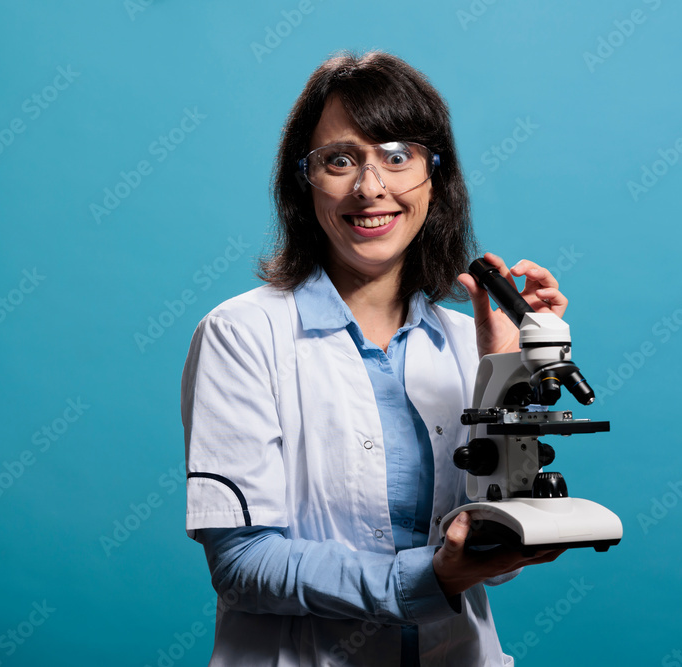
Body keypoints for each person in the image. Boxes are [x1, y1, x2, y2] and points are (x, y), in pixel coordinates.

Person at [181, 51, 572, 667]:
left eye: (397, 156)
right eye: (339, 160)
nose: (371, 188)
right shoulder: (241, 334)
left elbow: (496, 568)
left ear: (433, 176)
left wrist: (504, 371)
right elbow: (242, 563)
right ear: (302, 181)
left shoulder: (470, 340)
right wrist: (428, 578)